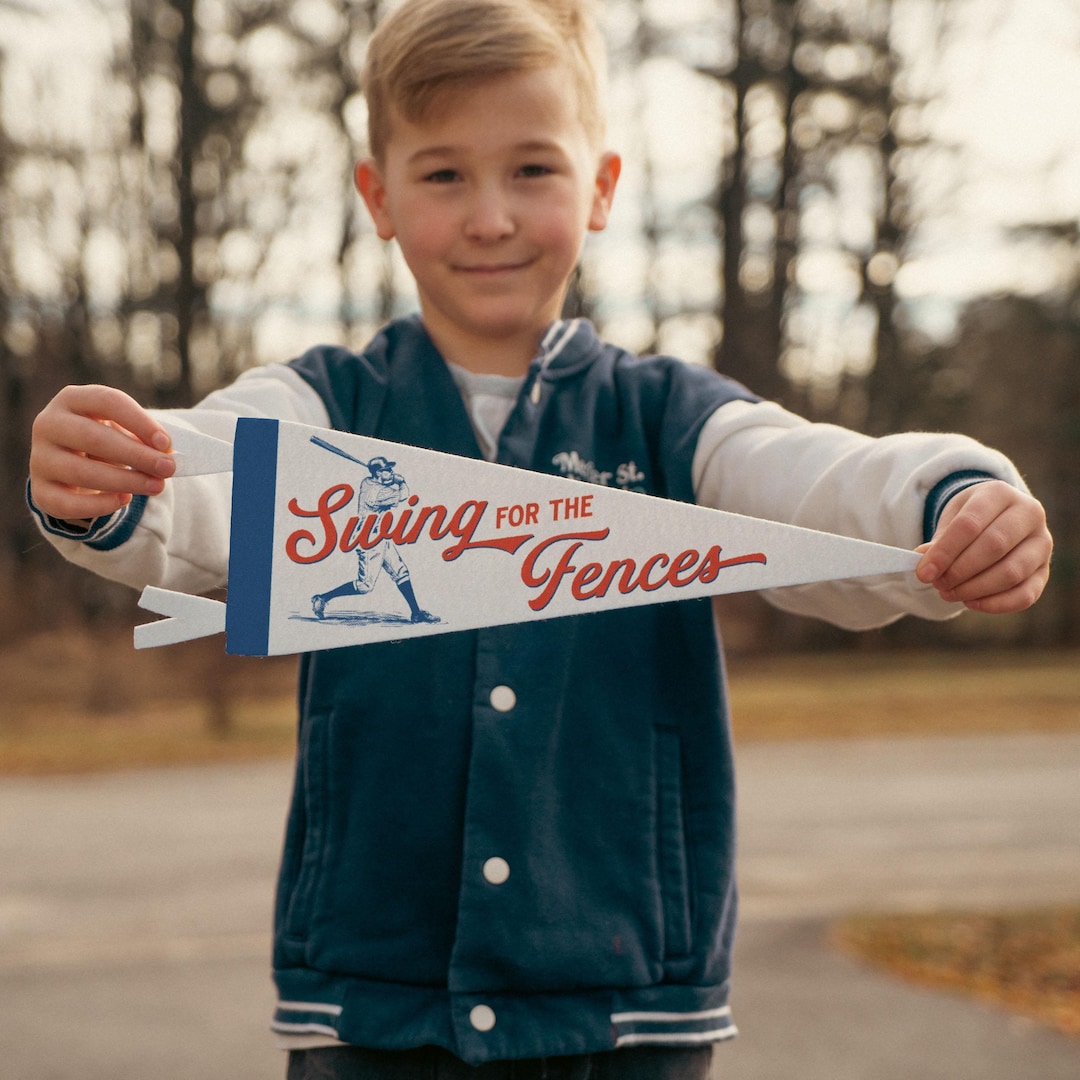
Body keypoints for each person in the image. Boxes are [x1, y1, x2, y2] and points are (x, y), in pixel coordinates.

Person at [27, 1, 1052, 1077]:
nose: (489, 218)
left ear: (601, 187)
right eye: (442, 175)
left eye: (530, 170)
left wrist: (952, 497)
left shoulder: (666, 419)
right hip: (374, 1008)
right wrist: (108, 480)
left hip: (626, 1011)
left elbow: (814, 483)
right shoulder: (327, 406)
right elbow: (202, 492)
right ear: (376, 195)